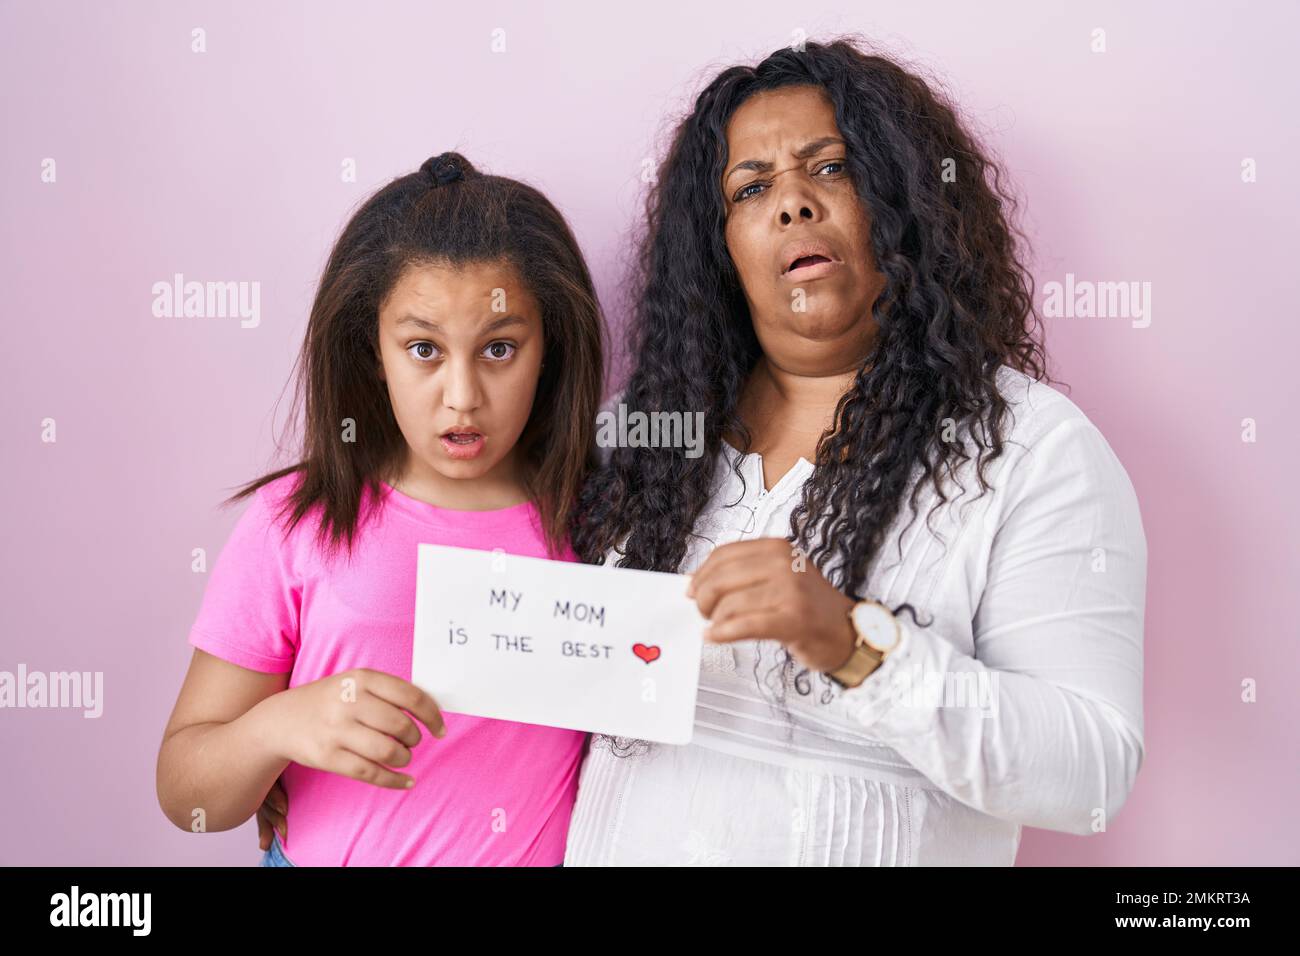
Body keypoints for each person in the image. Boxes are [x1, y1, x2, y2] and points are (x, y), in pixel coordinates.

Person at [565, 38, 1147, 865]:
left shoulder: (1029, 449)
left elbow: (1093, 775)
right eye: (752, 187)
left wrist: (852, 642)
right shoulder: (642, 438)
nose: (792, 204)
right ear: (719, 247)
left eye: (830, 168)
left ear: (904, 200)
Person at [155, 151, 605, 866]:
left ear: (549, 348)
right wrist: (276, 728)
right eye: (424, 349)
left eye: (499, 349)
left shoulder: (605, 521)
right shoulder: (295, 523)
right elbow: (188, 798)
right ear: (372, 350)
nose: (462, 396)